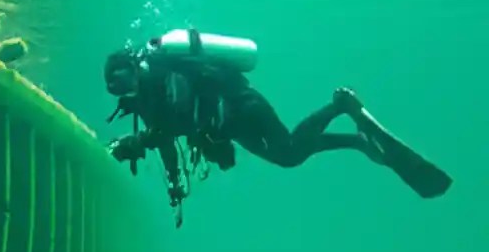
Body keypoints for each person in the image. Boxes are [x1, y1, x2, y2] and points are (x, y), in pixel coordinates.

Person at [103, 28, 449, 225]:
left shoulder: (164, 77)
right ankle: (354, 139)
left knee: (287, 152)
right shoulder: (148, 102)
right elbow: (166, 138)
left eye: (122, 79)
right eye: (115, 87)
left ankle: (340, 108)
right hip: (231, 125)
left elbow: (174, 124)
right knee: (288, 156)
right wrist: (174, 182)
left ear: (134, 67)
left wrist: (144, 145)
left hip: (243, 106)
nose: (123, 88)